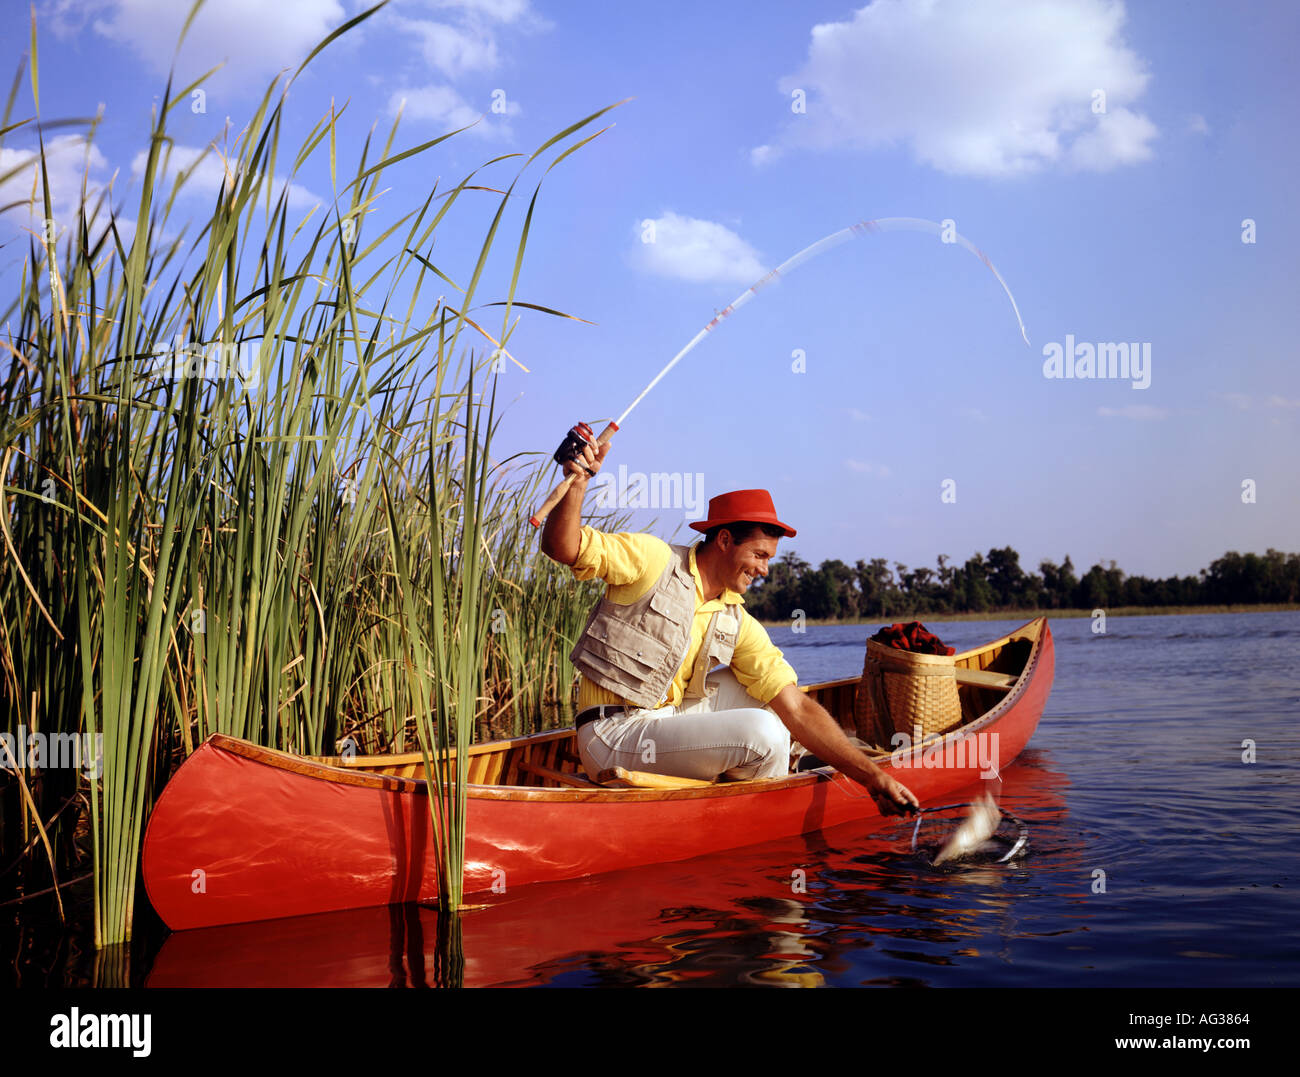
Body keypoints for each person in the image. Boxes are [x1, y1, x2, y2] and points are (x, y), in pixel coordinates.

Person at [539, 437, 918, 816]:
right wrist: (578, 482)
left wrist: (871, 776)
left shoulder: (735, 618)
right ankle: (760, 819)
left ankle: (764, 788)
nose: (764, 570)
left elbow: (798, 708)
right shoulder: (653, 560)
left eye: (769, 559)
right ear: (723, 540)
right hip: (611, 735)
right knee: (765, 734)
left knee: (768, 702)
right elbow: (563, 546)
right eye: (759, 555)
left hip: (664, 723)